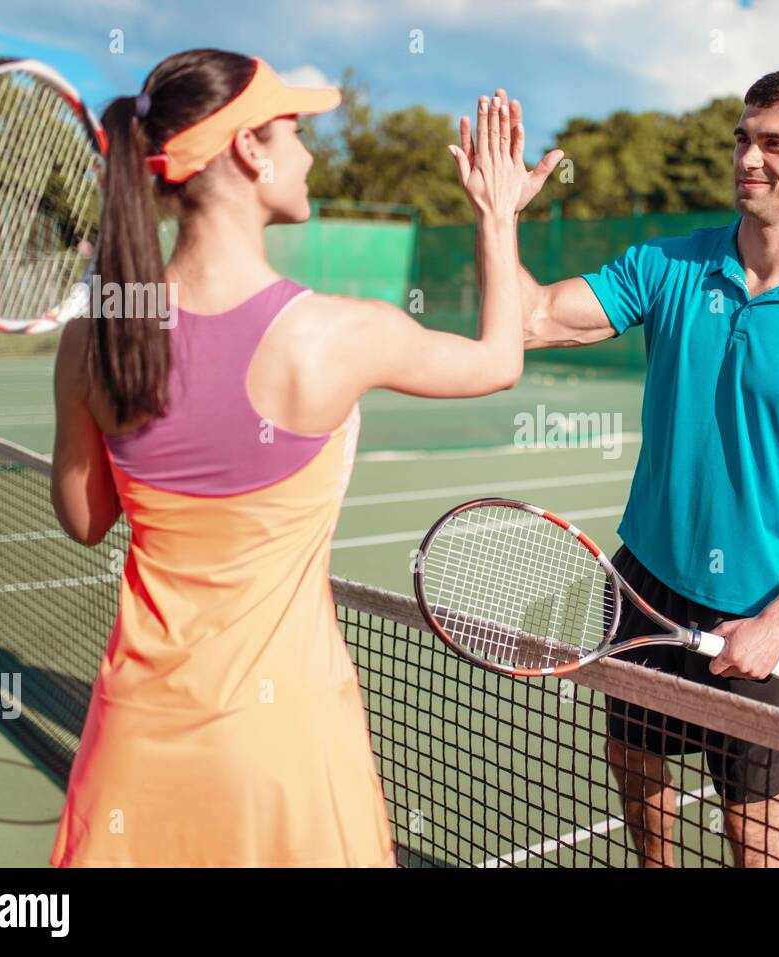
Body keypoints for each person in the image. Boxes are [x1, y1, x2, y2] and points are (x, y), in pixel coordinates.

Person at [48, 49, 530, 866]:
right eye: (295, 130)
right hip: (286, 752)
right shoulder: (339, 335)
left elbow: (88, 519)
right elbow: (498, 358)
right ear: (249, 149)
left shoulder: (88, 345)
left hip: (136, 744)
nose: (309, 153)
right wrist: (498, 211)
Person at [500, 70, 779, 866]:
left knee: (754, 835)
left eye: (774, 143)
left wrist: (777, 621)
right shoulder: (668, 266)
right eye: (743, 139)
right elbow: (533, 315)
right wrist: (498, 219)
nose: (748, 157)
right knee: (640, 783)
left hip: (759, 611)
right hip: (644, 582)